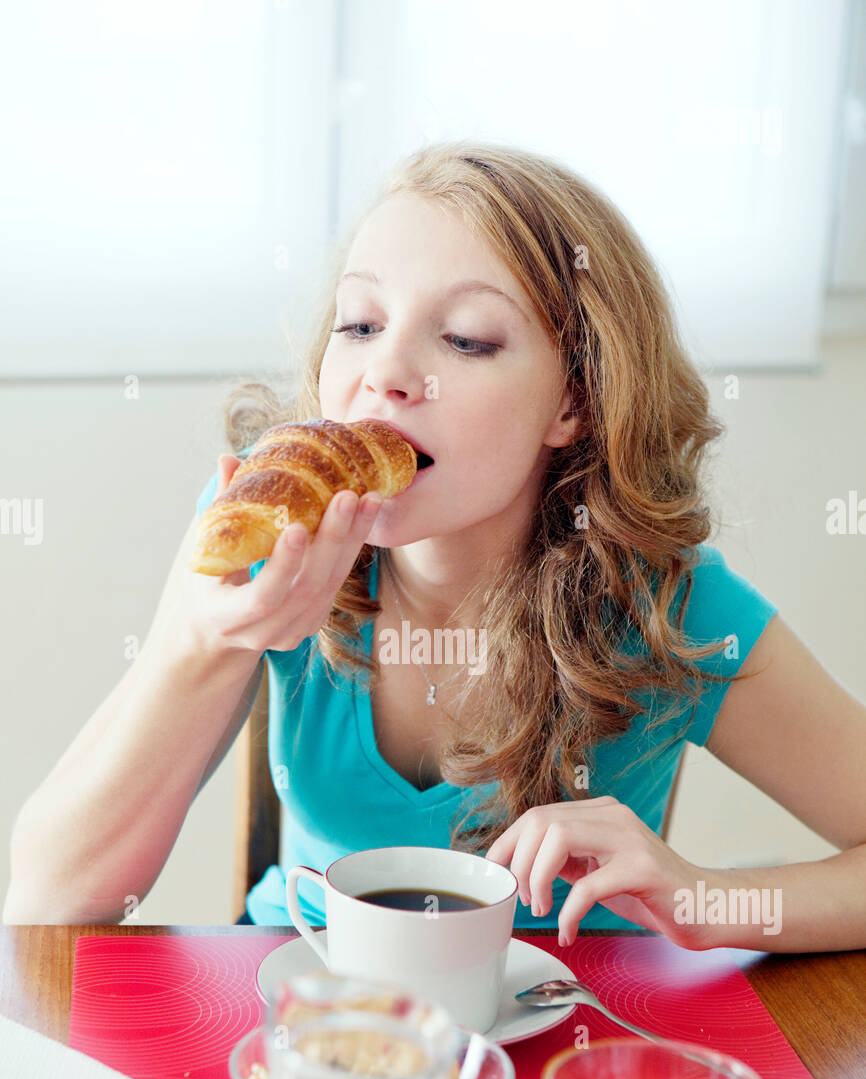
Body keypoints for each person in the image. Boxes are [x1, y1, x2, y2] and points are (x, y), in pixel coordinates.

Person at [7, 141, 866, 951]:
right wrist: (207, 638)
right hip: (303, 1016)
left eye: (465, 339)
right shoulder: (265, 539)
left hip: (567, 1045)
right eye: (359, 324)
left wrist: (702, 900)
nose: (386, 372)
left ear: (572, 402)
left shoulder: (670, 608)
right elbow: (49, 902)